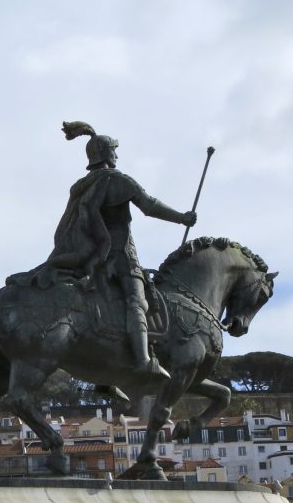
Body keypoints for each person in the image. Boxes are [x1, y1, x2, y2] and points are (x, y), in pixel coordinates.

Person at [33, 121, 196, 380]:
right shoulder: (116, 180)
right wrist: (182, 218)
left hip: (88, 258)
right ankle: (143, 359)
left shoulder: (81, 186)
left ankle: (106, 375)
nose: (117, 155)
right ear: (107, 153)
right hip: (120, 257)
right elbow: (149, 205)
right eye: (114, 151)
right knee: (135, 301)